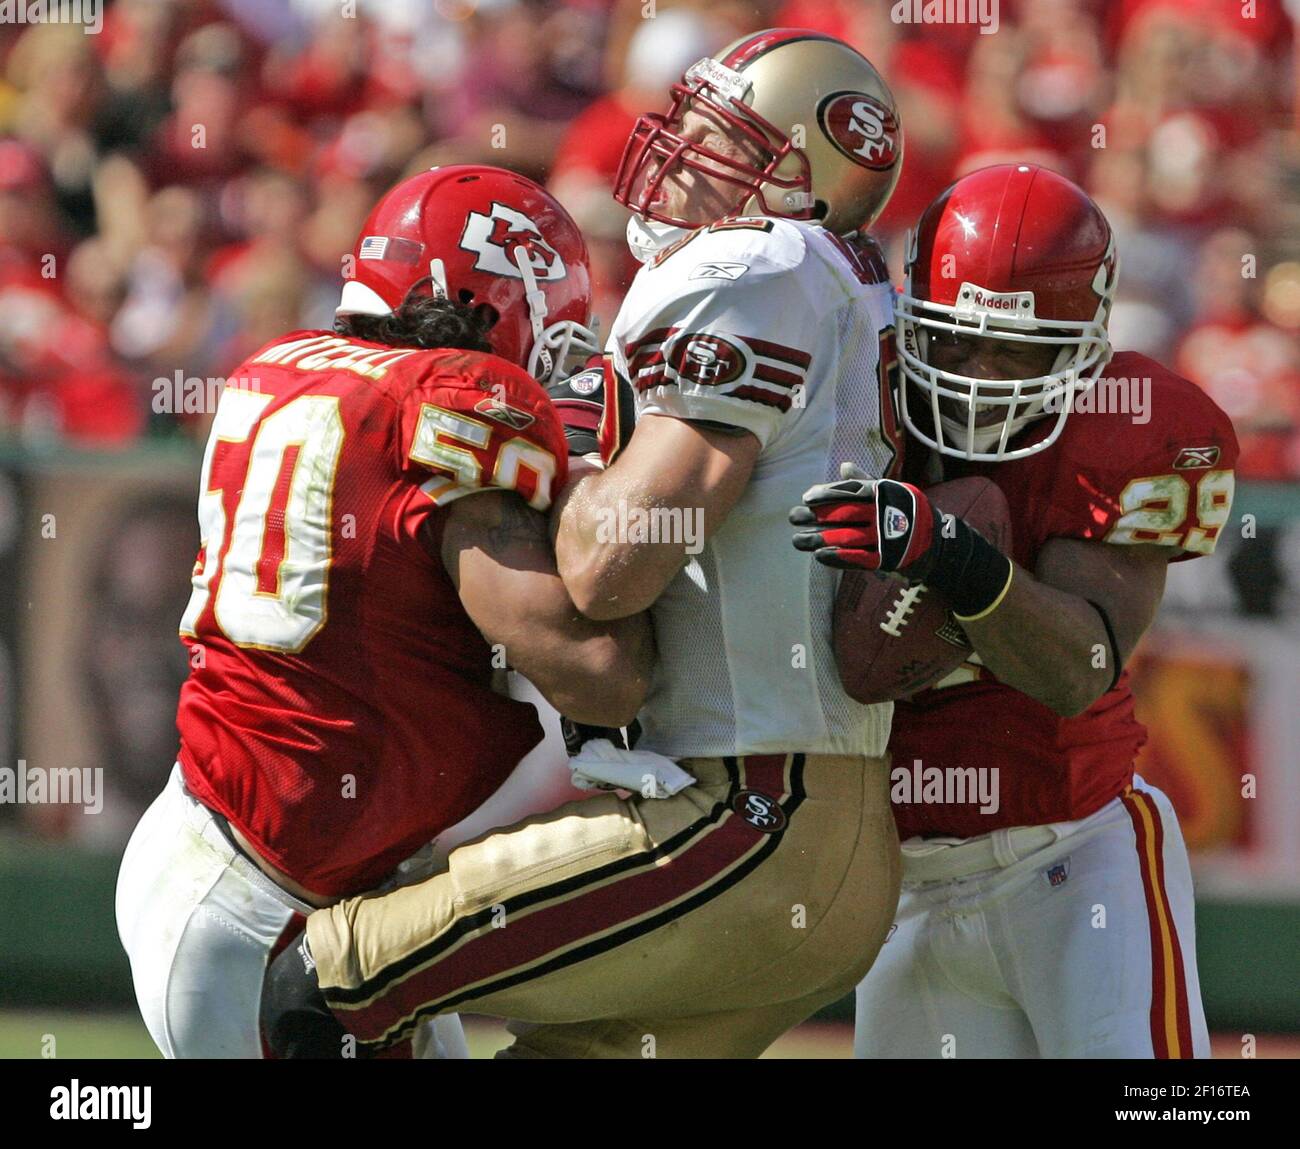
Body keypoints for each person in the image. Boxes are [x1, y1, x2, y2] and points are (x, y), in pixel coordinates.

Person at [261, 28, 907, 1060]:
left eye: (720, 139)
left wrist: (554, 448)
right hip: (834, 839)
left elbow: (611, 572)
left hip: (742, 821)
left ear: (798, 174)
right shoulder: (851, 285)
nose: (679, 157)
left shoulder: (757, 264)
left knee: (326, 973)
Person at [115, 164, 651, 1058]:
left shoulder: (278, 364)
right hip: (257, 907)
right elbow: (597, 674)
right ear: (489, 304)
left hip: (307, 880)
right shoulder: (444, 403)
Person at [790, 164, 1238, 1058]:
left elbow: (1079, 668)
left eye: (1018, 351)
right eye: (955, 343)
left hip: (1077, 860)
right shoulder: (857, 401)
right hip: (902, 881)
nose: (978, 375)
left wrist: (950, 557)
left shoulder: (1129, 424)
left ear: (1084, 344)